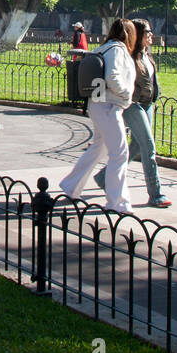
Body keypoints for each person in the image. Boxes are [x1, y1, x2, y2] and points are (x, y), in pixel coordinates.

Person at [59, 18, 138, 214]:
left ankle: (71, 186)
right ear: (129, 34)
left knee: (99, 148)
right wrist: (126, 93)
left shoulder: (102, 49)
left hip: (98, 103)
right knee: (119, 153)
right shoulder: (118, 50)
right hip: (109, 105)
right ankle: (117, 201)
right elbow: (112, 76)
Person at [125, 19, 170, 208]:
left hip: (147, 104)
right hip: (133, 104)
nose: (151, 35)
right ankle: (156, 193)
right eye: (148, 32)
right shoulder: (129, 57)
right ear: (138, 35)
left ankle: (105, 177)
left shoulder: (146, 55)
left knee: (136, 145)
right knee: (148, 146)